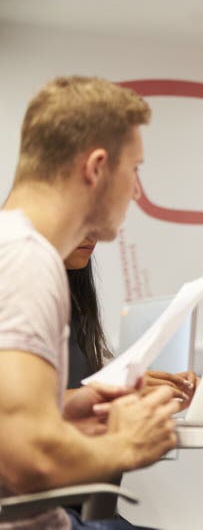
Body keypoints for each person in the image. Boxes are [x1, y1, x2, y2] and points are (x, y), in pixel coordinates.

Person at [0, 76, 179, 530]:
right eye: (134, 169)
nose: (137, 191)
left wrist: (60, 409)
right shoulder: (27, 259)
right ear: (96, 167)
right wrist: (126, 445)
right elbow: (27, 458)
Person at [65, 240, 198, 406]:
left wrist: (167, 392)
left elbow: (80, 396)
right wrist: (116, 393)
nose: (95, 235)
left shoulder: (76, 302)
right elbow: (29, 405)